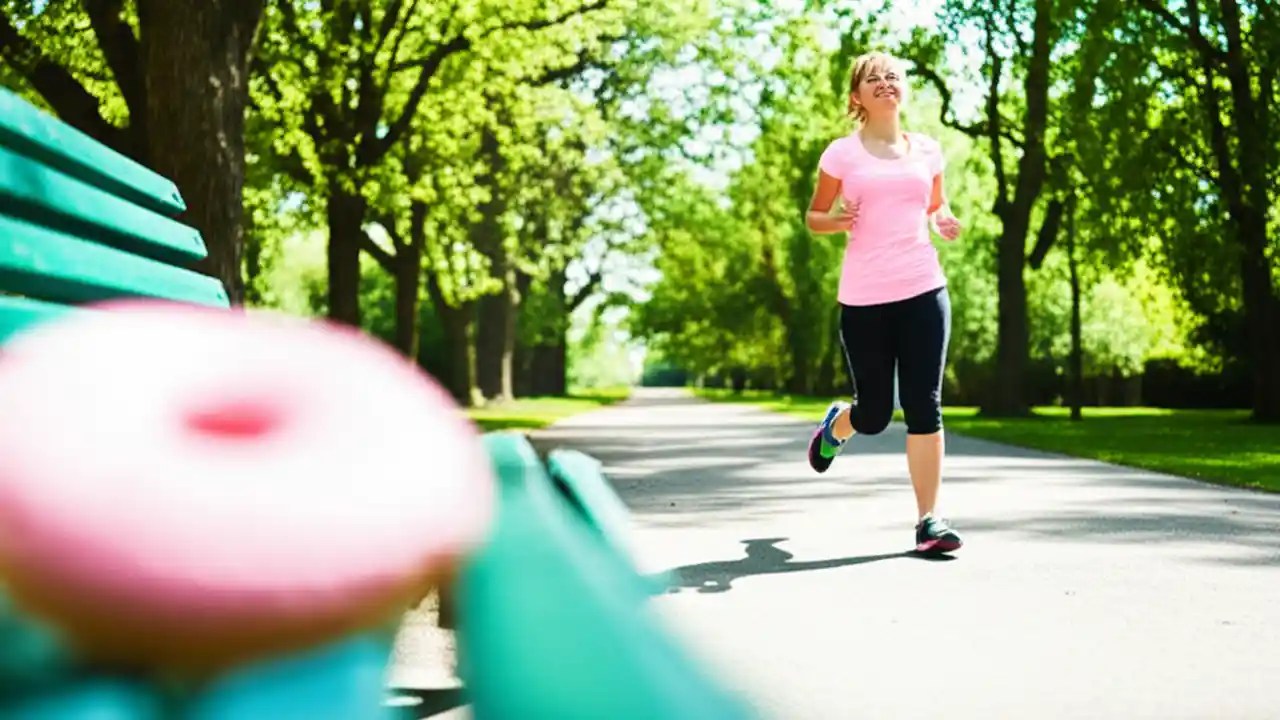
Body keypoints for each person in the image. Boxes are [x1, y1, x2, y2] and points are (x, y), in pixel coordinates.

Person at [805, 51, 963, 554]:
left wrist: (944, 221)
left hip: (923, 288)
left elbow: (936, 206)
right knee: (874, 414)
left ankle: (929, 521)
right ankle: (838, 426)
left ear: (903, 90)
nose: (885, 82)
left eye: (892, 76)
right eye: (874, 78)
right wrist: (839, 218)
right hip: (865, 297)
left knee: (924, 406)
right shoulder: (840, 155)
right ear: (858, 97)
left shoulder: (928, 151)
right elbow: (814, 216)